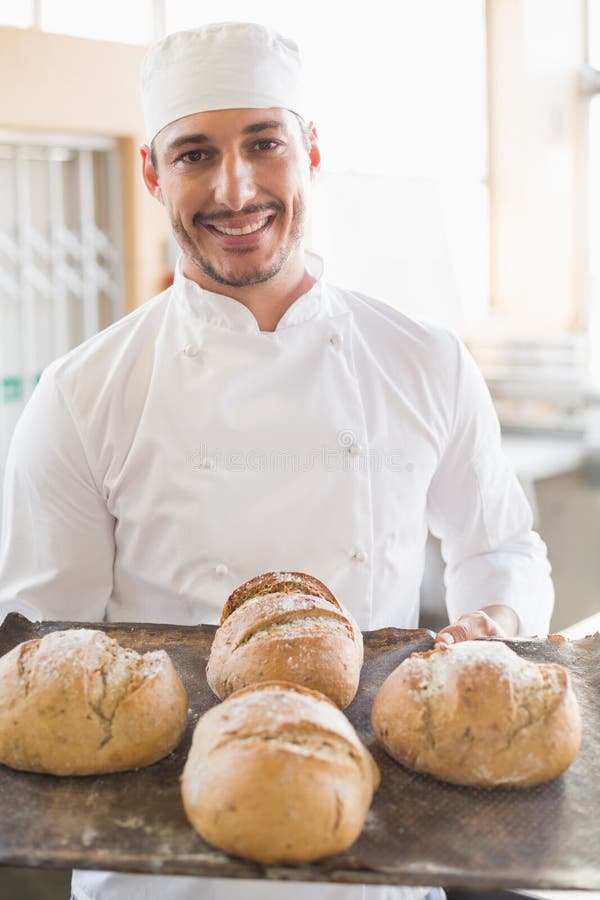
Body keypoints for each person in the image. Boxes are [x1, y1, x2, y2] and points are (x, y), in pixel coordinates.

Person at [0, 20, 553, 900]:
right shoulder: (82, 394)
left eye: (265, 143)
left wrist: (497, 616)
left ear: (311, 151)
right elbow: (45, 659)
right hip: (156, 868)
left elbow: (503, 549)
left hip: (376, 843)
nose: (235, 188)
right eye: (193, 155)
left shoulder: (423, 362)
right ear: (152, 172)